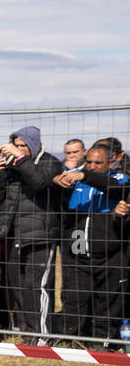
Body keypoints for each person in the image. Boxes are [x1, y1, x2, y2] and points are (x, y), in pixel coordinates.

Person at [0, 126, 63, 344]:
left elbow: (40, 182)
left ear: (32, 144)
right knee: (19, 287)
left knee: (37, 286)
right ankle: (27, 335)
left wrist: (19, 159)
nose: (18, 150)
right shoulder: (13, 165)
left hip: (40, 234)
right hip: (15, 234)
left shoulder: (50, 162)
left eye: (22, 146)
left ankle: (41, 336)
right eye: (15, 146)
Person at [54, 145, 130, 346]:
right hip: (77, 255)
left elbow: (117, 189)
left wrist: (84, 176)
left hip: (109, 256)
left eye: (98, 163)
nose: (92, 166)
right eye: (88, 162)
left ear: (111, 163)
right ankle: (72, 340)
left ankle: (102, 342)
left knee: (107, 301)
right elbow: (48, 184)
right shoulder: (75, 180)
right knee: (75, 300)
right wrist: (55, 181)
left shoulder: (119, 180)